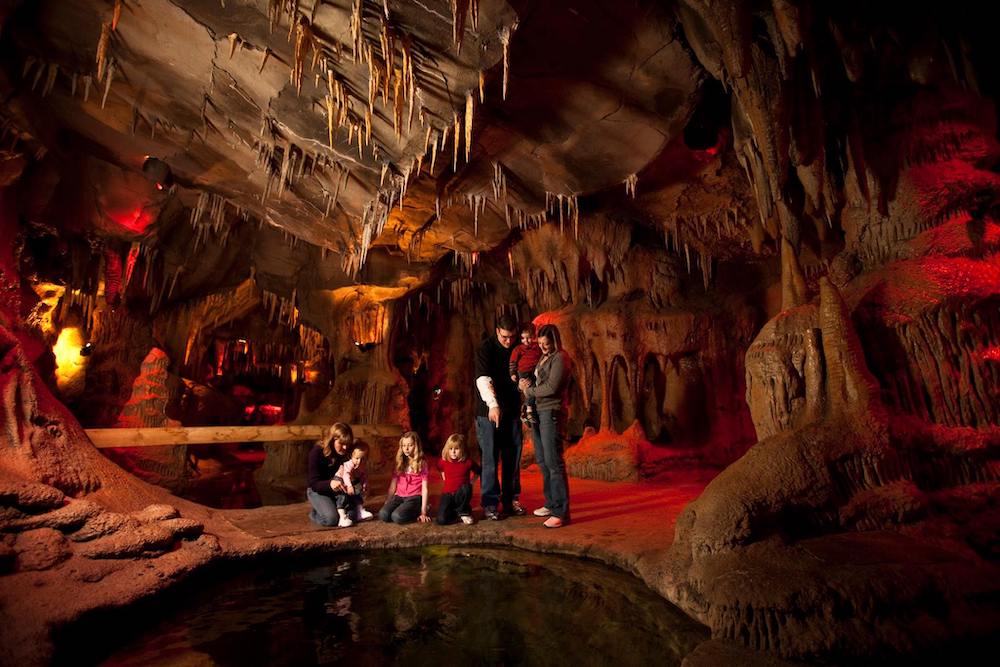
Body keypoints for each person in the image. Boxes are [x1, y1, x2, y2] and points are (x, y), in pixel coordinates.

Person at [474, 313, 525, 520]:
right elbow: (483, 379)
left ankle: (511, 499)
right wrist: (493, 405)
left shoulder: (518, 347)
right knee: (490, 457)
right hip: (488, 412)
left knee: (512, 456)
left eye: (512, 337)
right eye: (505, 337)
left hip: (512, 411)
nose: (508, 341)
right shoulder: (485, 348)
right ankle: (490, 503)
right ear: (497, 332)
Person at [519, 324, 571, 528]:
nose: (543, 347)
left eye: (546, 344)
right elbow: (538, 382)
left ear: (555, 341)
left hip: (551, 411)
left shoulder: (561, 358)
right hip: (539, 412)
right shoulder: (544, 358)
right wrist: (526, 386)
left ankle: (561, 512)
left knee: (553, 462)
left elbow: (551, 387)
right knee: (542, 459)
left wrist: (529, 391)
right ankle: (550, 503)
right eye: (540, 344)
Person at [306, 422, 355, 527]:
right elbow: (313, 483)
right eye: (341, 443)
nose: (345, 447)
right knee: (332, 519)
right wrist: (330, 484)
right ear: (333, 440)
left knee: (352, 515)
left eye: (347, 443)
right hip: (318, 490)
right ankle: (314, 513)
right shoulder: (316, 452)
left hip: (338, 491)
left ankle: (329, 507)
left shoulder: (347, 452)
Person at [379, 431, 432, 524]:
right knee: (383, 514)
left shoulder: (422, 463)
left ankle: (417, 509)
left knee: (397, 517)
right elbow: (393, 485)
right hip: (399, 496)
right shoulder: (400, 462)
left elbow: (425, 488)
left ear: (416, 446)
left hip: (414, 497)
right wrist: (388, 501)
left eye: (410, 445)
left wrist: (423, 512)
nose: (406, 448)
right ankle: (403, 508)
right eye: (404, 445)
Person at [436, 434, 481, 525]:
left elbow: (478, 471)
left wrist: (471, 482)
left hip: (460, 494)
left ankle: (463, 512)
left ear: (462, 449)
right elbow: (439, 468)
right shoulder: (443, 461)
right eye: (451, 449)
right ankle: (456, 513)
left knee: (466, 488)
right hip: (447, 494)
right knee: (441, 520)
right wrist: (444, 477)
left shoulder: (467, 462)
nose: (453, 452)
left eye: (456, 449)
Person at [332, 442, 373, 527]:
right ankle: (342, 517)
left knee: (358, 491)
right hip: (340, 481)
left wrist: (365, 485)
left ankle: (359, 510)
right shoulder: (348, 464)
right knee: (342, 496)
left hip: (352, 481)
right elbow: (346, 475)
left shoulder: (362, 465)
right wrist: (350, 486)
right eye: (357, 458)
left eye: (363, 459)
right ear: (352, 456)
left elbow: (363, 476)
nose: (359, 461)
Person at [509, 322, 542, 424]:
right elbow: (513, 362)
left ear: (534, 336)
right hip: (524, 372)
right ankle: (528, 411)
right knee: (530, 389)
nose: (526, 341)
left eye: (529, 338)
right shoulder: (518, 349)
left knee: (536, 388)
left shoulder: (537, 347)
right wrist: (513, 374)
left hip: (535, 371)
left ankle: (526, 411)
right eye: (523, 338)